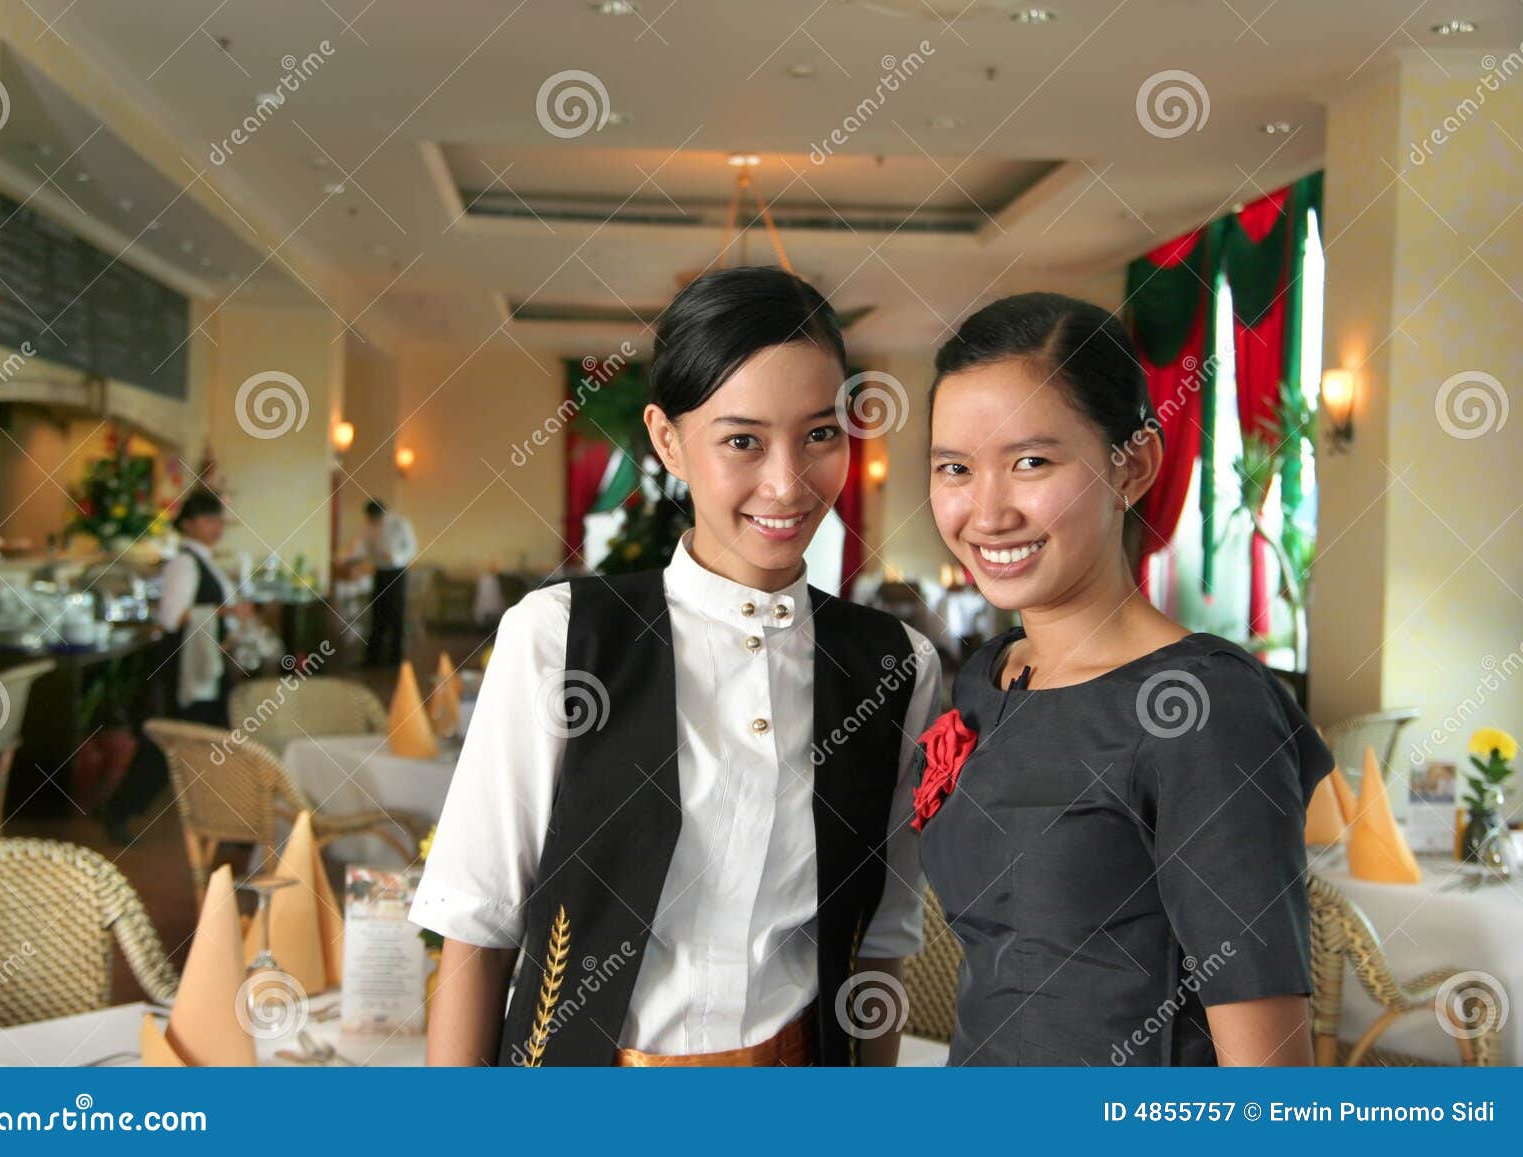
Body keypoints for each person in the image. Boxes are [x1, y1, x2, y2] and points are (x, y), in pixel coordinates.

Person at [411, 266, 941, 1067]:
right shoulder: (560, 640)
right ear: (668, 440)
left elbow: (882, 942)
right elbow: (477, 932)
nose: (787, 482)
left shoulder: (897, 666)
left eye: (821, 434)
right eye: (742, 440)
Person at [921, 292, 1332, 1066]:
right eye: (955, 468)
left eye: (1030, 462)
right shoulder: (990, 678)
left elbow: (1271, 1077)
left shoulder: (1206, 709)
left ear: (1133, 465)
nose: (987, 510)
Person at [104, 487, 251, 843]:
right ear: (188, 524)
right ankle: (119, 810)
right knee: (167, 743)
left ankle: (230, 823)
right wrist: (226, 612)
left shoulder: (206, 561)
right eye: (207, 519)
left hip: (205, 667)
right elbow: (171, 619)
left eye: (218, 520)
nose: (215, 526)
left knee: (217, 743)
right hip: (186, 670)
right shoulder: (184, 564)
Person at [343, 499, 417, 668]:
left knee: (396, 615)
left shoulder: (400, 524)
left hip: (397, 573)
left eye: (375, 519)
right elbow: (364, 548)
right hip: (380, 572)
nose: (373, 522)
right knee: (377, 615)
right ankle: (372, 659)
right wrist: (352, 561)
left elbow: (411, 548)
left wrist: (395, 556)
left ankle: (395, 659)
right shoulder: (370, 527)